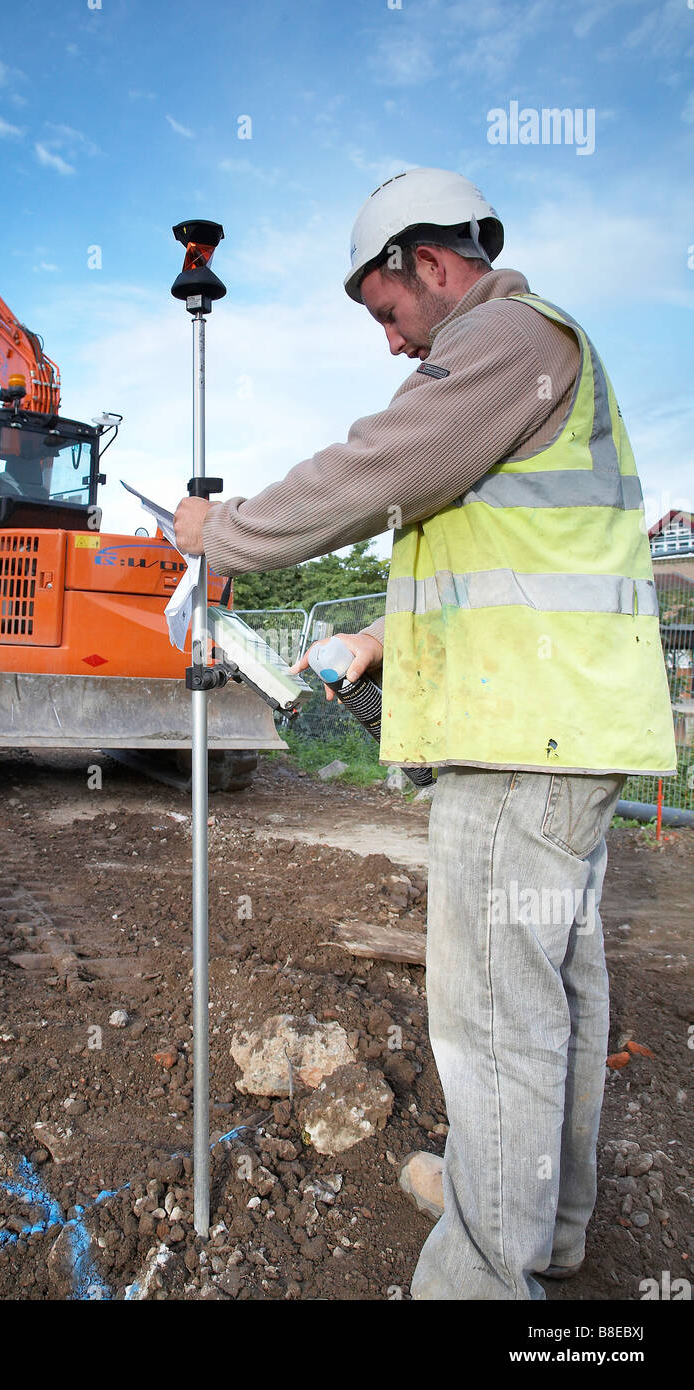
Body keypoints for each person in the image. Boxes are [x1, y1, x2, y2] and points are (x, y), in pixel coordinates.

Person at [173, 167, 677, 1300]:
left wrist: (226, 533)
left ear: (431, 265)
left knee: (496, 1016)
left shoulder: (501, 337)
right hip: (562, 733)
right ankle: (542, 1220)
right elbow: (497, 564)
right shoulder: (526, 362)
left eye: (388, 313)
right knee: (556, 988)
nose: (392, 345)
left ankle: (485, 1281)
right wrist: (368, 640)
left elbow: (376, 465)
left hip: (519, 744)